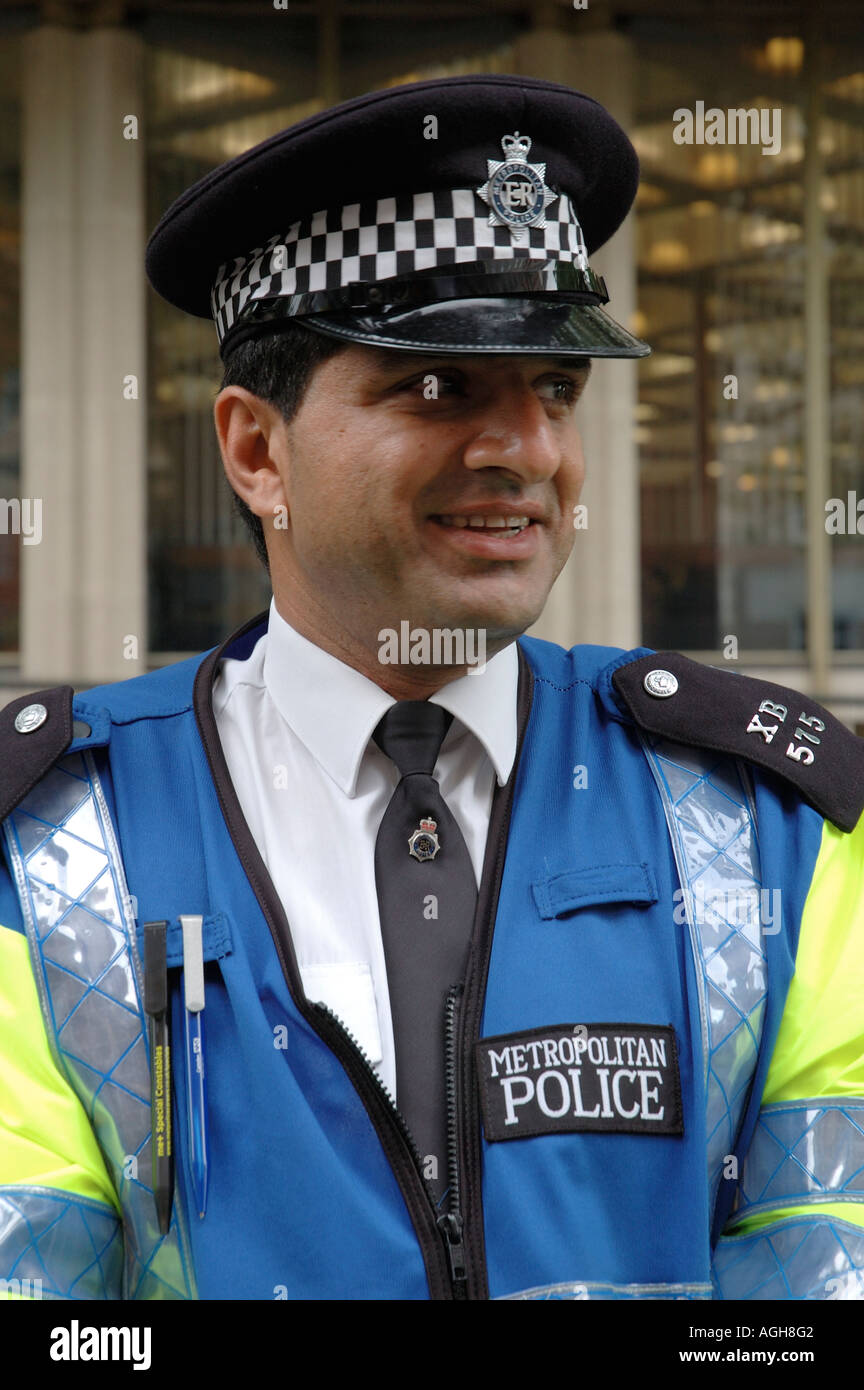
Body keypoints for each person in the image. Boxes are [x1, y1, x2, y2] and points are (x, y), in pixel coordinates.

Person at [1, 73, 863, 1303]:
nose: (528, 451)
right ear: (256, 451)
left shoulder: (766, 822)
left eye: (555, 389)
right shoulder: (51, 848)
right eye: (438, 386)